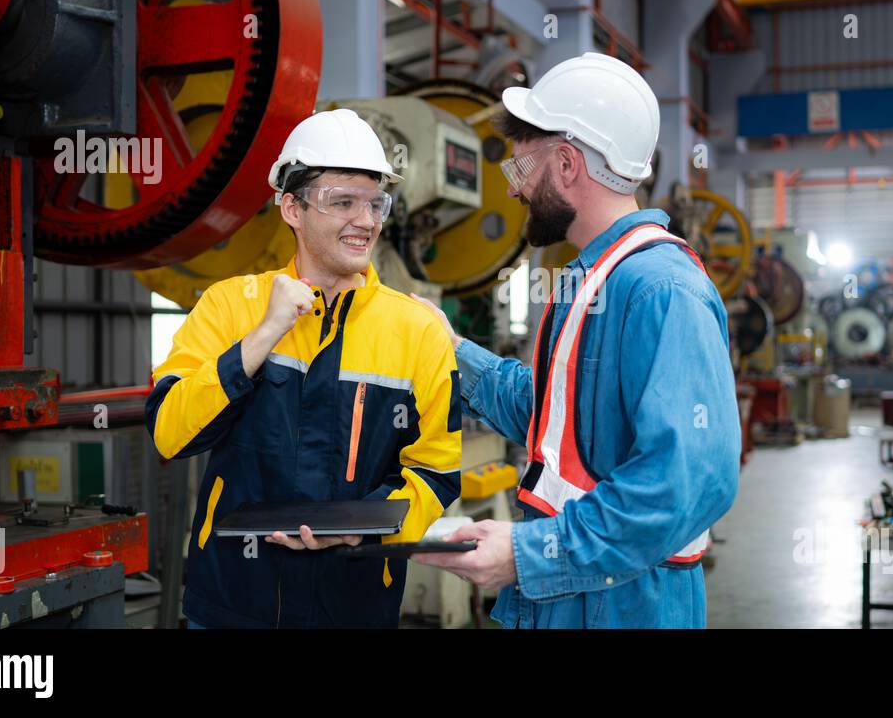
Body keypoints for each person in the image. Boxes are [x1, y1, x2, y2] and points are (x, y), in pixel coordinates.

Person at [412, 53, 739, 628]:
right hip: (576, 598)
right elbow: (551, 419)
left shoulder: (660, 290)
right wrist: (448, 348)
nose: (515, 192)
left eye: (520, 173)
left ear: (565, 165)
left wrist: (526, 554)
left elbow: (688, 481)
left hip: (625, 606)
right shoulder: (594, 279)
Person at [145, 109, 462, 628]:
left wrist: (365, 528)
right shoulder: (229, 307)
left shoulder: (416, 329)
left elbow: (435, 472)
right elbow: (169, 434)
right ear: (291, 208)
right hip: (233, 601)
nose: (366, 221)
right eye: (343, 202)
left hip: (354, 602)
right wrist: (262, 335)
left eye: (375, 203)